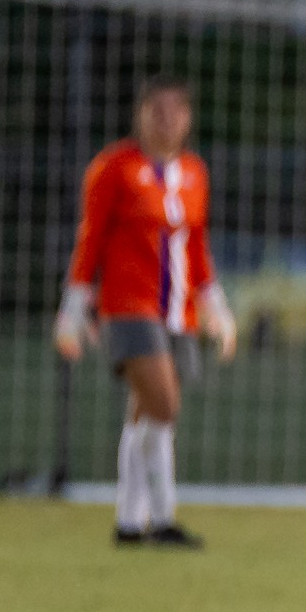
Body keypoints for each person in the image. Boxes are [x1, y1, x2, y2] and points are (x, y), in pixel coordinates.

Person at [54, 75, 235, 548]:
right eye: (157, 109)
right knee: (165, 405)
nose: (167, 119)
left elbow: (197, 245)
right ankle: (163, 517)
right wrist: (73, 310)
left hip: (179, 313)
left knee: (145, 416)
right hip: (128, 307)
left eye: (177, 110)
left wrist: (216, 306)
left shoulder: (194, 172)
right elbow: (89, 239)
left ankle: (128, 523)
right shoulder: (113, 167)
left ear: (189, 118)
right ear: (140, 114)